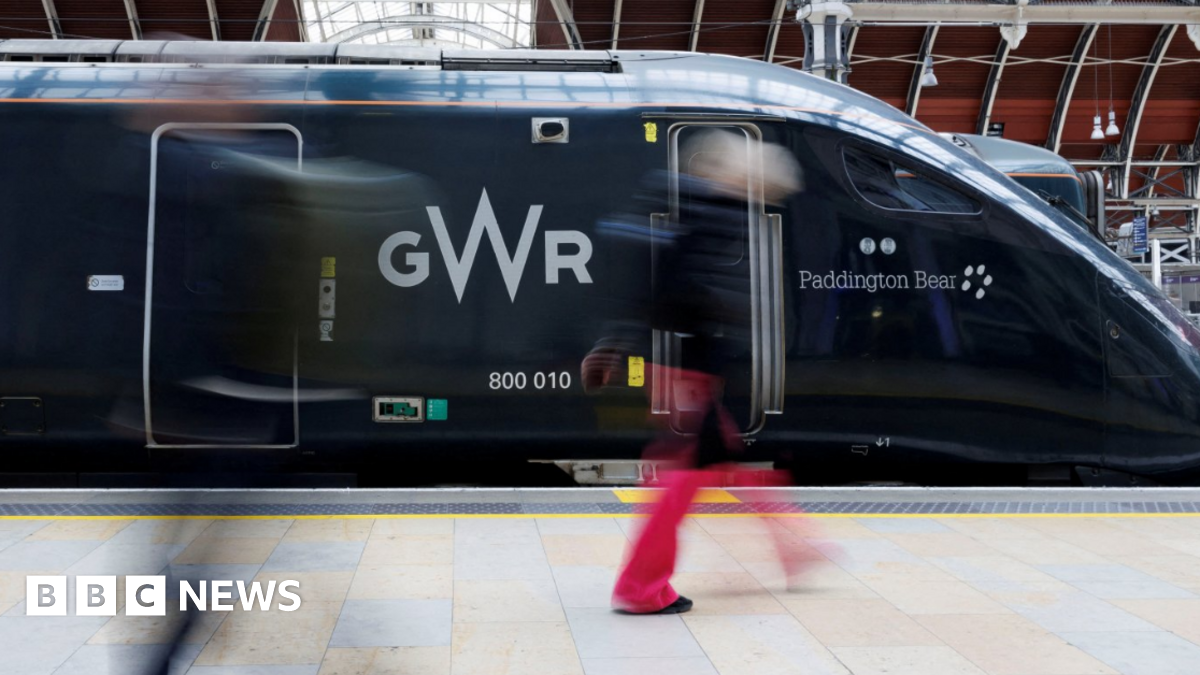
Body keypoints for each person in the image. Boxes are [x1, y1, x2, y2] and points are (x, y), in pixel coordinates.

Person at [584, 129, 803, 614]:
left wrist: (613, 344)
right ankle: (641, 587)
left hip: (692, 369)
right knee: (682, 479)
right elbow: (676, 290)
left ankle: (798, 548)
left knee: (717, 460)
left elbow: (650, 288)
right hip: (694, 369)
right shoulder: (717, 212)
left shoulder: (686, 203)